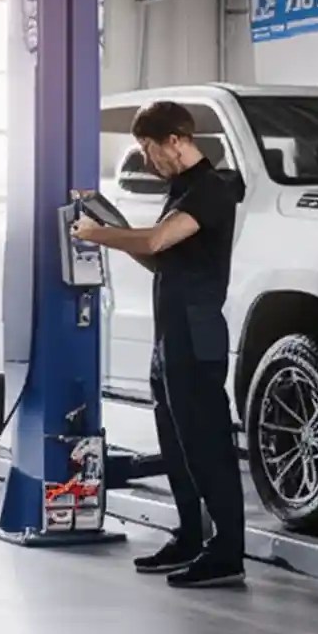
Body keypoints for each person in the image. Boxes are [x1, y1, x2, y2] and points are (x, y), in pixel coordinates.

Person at [70, 101, 245, 589]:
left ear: (176, 140)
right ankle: (191, 536)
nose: (147, 161)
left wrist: (97, 233)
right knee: (177, 445)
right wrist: (114, 224)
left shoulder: (212, 189)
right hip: (170, 337)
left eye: (149, 149)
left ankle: (227, 551)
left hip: (196, 334)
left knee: (207, 446)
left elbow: (155, 242)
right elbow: (161, 258)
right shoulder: (182, 191)